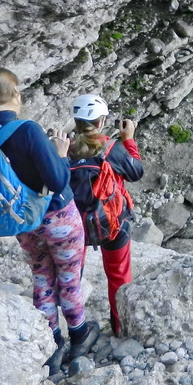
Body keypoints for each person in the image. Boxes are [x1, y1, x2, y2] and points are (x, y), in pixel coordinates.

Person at [0, 67, 98, 373]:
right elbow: (56, 180)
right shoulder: (27, 130)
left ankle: (52, 345)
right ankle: (79, 335)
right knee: (68, 277)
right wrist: (59, 152)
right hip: (57, 216)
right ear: (16, 95)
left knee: (42, 276)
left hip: (22, 221)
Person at [67, 94, 143, 337]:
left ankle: (72, 330)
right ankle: (120, 328)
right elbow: (136, 172)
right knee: (118, 275)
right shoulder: (112, 149)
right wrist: (129, 139)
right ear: (101, 122)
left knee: (71, 276)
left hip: (75, 225)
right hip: (112, 224)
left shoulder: (63, 150)